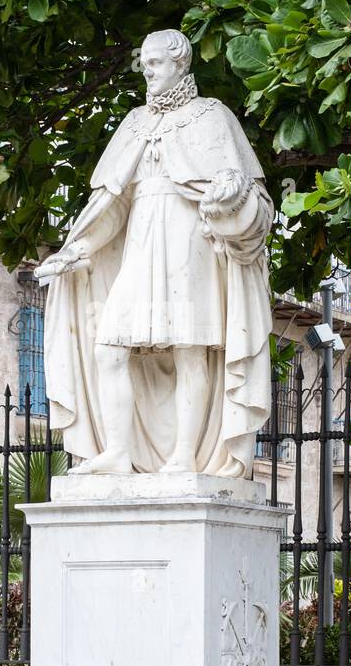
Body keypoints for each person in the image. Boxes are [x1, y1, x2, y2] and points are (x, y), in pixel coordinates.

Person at [35, 28, 273, 478]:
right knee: (108, 346)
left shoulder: (212, 117)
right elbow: (113, 201)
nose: (148, 71)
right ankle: (118, 452)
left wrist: (230, 194)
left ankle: (185, 454)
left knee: (190, 349)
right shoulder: (134, 123)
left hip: (191, 246)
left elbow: (249, 197)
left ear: (181, 64)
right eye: (144, 64)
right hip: (141, 246)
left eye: (156, 63)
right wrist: (77, 248)